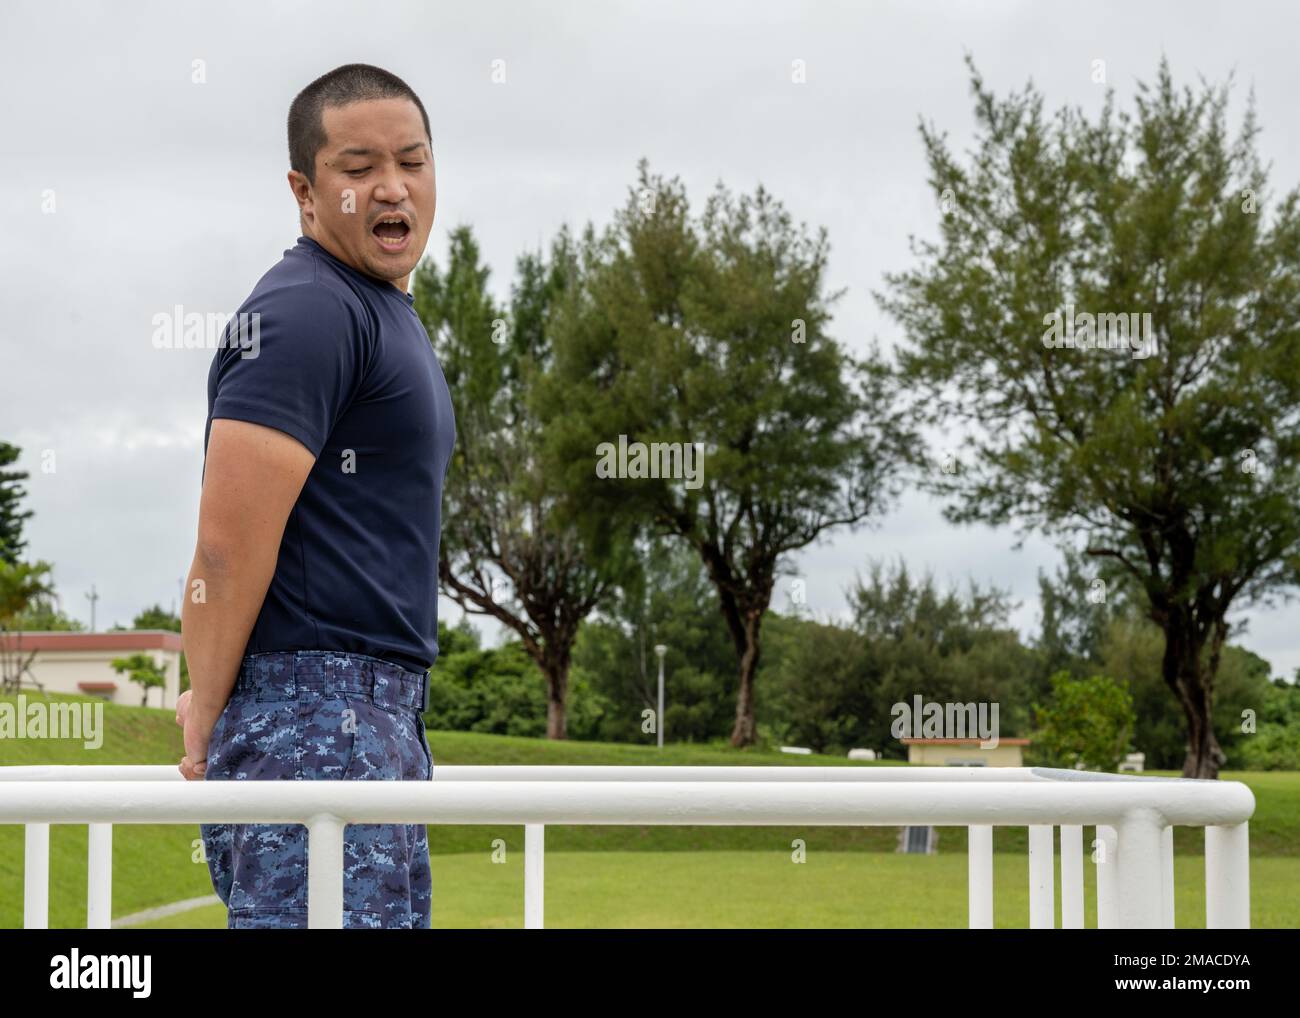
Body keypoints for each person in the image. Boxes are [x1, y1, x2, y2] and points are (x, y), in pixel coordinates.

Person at [175, 63, 455, 929]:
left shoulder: (376, 309)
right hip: (316, 726)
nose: (391, 186)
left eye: (411, 161)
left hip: (370, 721)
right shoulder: (306, 311)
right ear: (305, 190)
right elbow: (225, 548)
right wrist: (208, 712)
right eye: (358, 167)